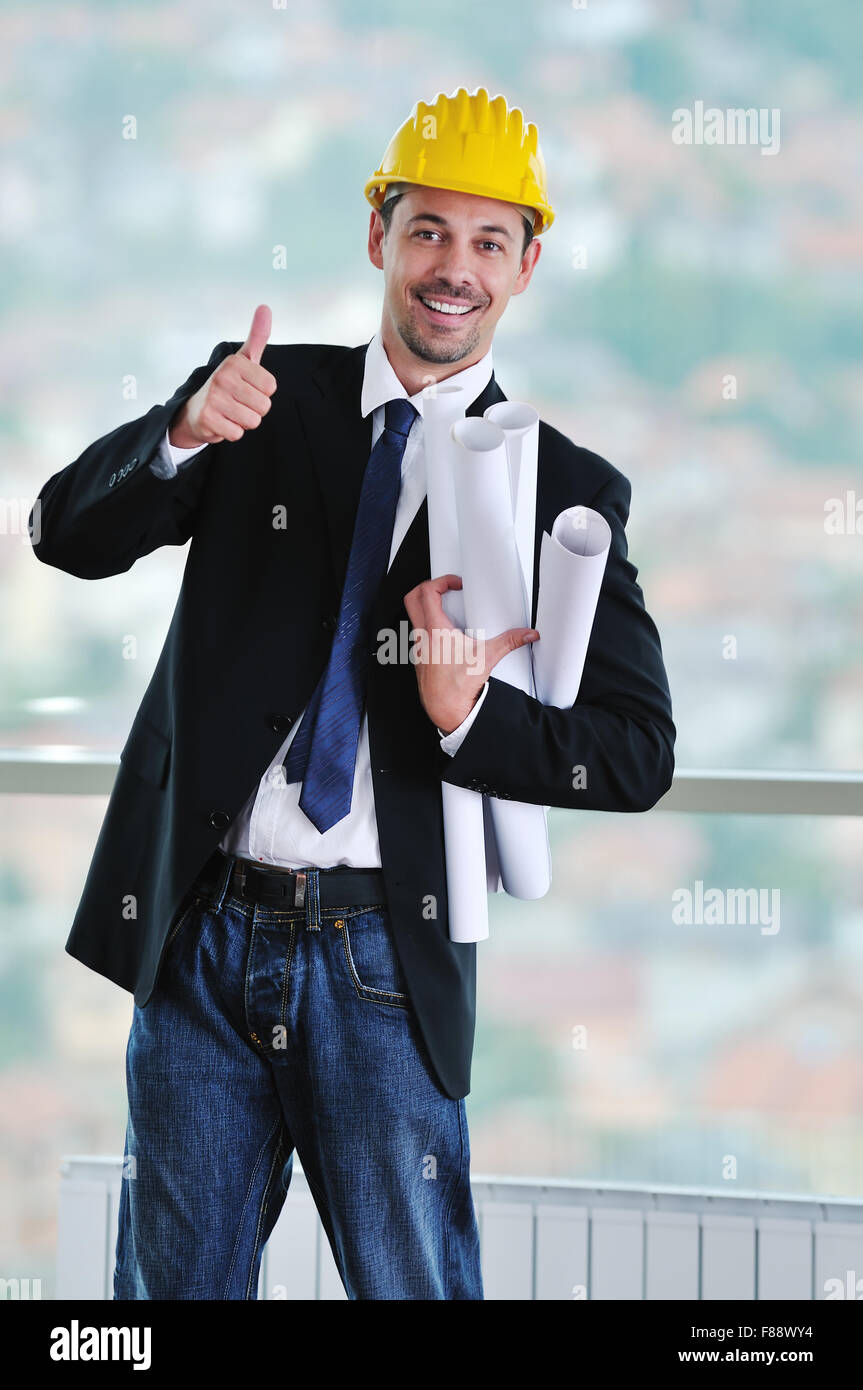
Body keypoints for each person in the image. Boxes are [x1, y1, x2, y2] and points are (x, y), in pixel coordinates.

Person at [29, 86, 675, 1300]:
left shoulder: (559, 485)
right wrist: (174, 435)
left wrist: (467, 719)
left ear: (527, 266)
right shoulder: (257, 399)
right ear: (378, 233)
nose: (454, 269)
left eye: (489, 242)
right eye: (429, 229)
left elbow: (636, 753)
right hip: (203, 936)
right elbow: (64, 533)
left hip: (386, 955)